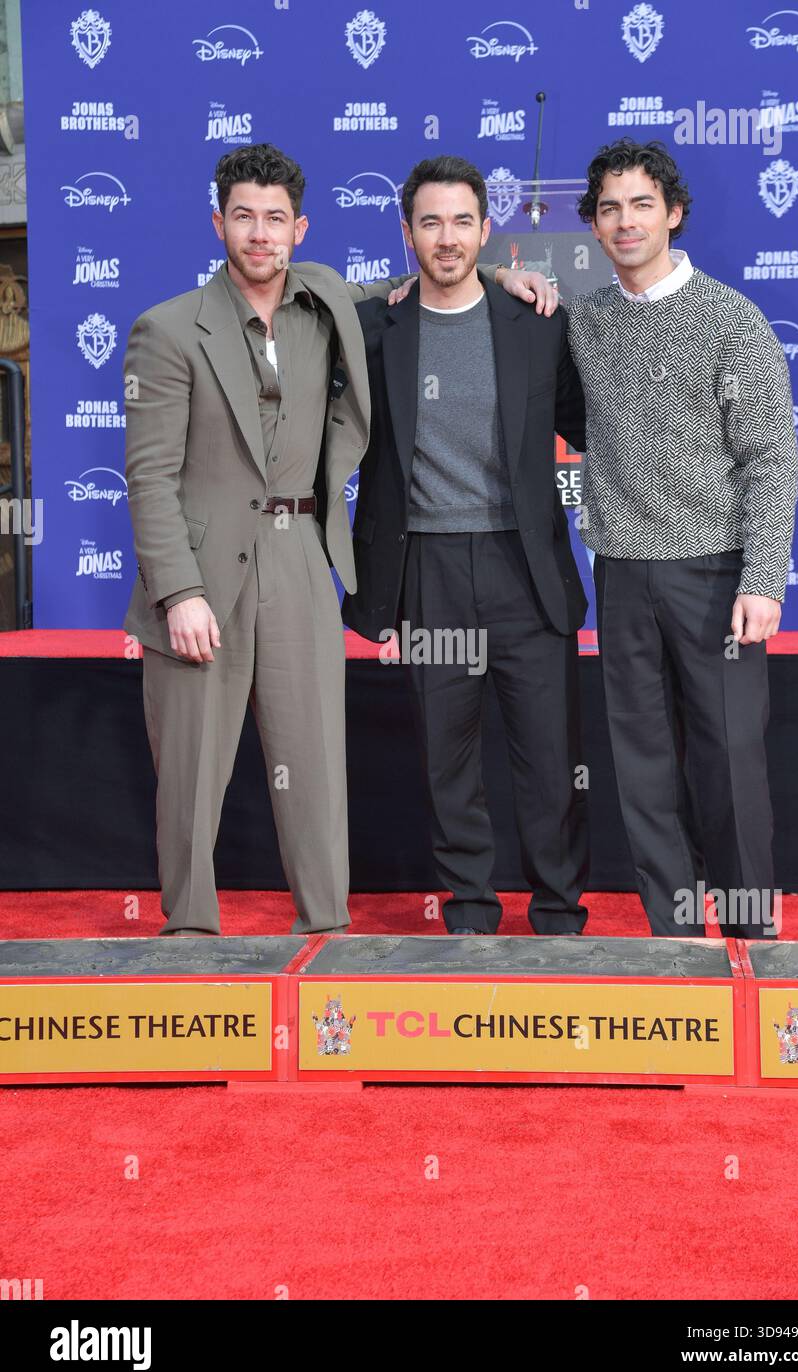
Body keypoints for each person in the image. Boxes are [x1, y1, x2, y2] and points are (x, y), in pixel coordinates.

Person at [124, 143, 548, 938]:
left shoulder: (325, 302)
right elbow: (149, 479)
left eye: (276, 219)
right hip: (202, 572)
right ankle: (188, 932)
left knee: (314, 764)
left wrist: (500, 278)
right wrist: (177, 592)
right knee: (190, 772)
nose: (260, 233)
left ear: (300, 227)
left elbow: (424, 279)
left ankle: (325, 930)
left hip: (300, 560)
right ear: (218, 223)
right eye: (244, 216)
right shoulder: (168, 330)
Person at [342, 156, 589, 936]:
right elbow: (295, 301)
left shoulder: (537, 320)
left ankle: (558, 916)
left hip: (526, 567)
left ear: (486, 231)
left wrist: (511, 280)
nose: (445, 238)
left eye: (461, 223)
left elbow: (585, 427)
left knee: (549, 761)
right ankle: (470, 916)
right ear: (406, 231)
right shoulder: (375, 324)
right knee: (448, 762)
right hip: (428, 571)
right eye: (429, 222)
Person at [566, 139, 798, 938]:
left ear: (672, 212)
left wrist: (763, 580)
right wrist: (510, 278)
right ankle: (673, 944)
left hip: (716, 572)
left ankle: (748, 939)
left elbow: (772, 456)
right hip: (622, 573)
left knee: (729, 760)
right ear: (593, 226)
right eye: (608, 208)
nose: (624, 222)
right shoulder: (586, 321)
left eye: (640, 204)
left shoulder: (732, 319)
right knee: (641, 768)